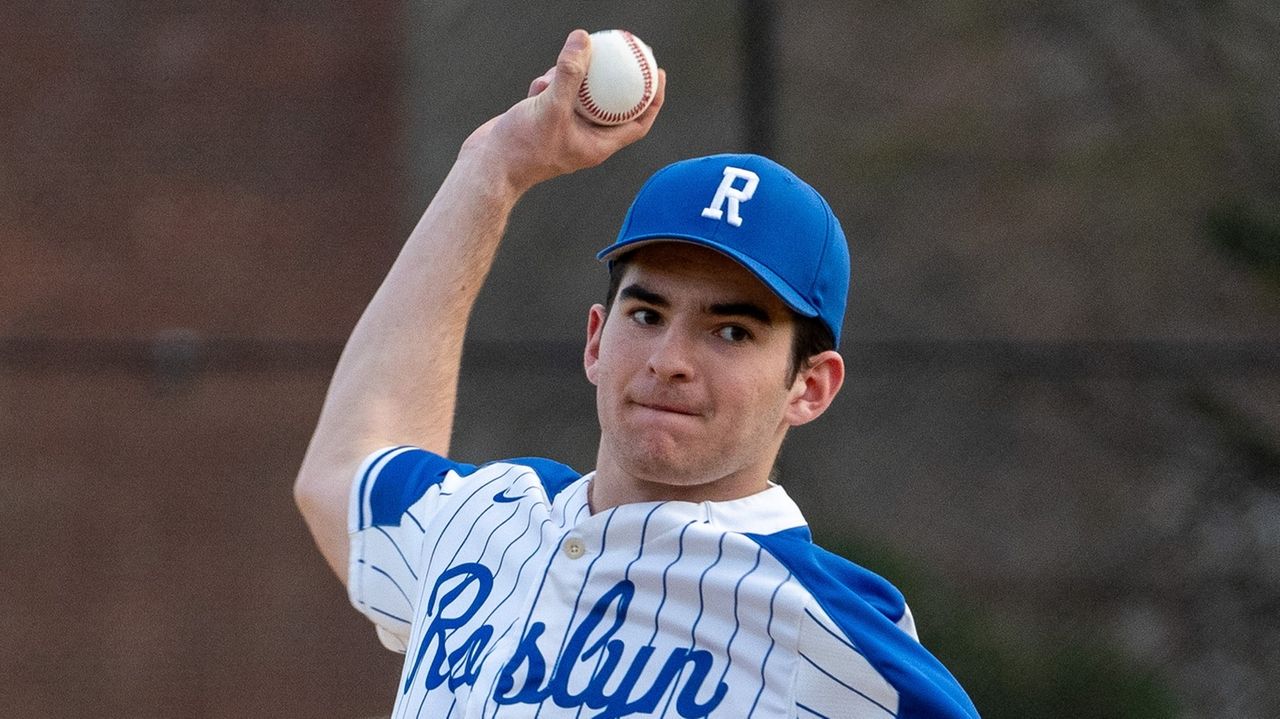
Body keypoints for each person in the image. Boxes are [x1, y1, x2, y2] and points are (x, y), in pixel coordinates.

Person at [295, 29, 980, 719]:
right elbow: (339, 475)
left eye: (732, 331)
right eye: (648, 314)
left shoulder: (826, 633)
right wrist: (493, 167)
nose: (669, 360)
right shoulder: (484, 519)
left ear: (810, 385)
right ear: (596, 339)